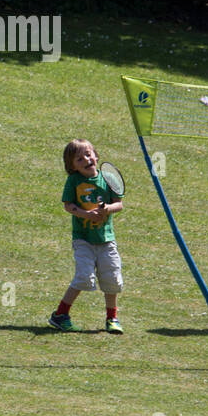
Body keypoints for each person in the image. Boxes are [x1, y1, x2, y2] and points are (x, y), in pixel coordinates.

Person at [48, 139, 124, 333]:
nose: (86, 159)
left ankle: (112, 318)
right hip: (83, 239)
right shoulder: (74, 181)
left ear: (96, 156)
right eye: (79, 159)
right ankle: (60, 315)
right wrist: (86, 214)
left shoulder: (108, 178)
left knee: (113, 280)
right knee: (84, 277)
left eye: (89, 155)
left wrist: (107, 209)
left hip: (106, 239)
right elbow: (68, 205)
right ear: (72, 166)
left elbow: (119, 204)